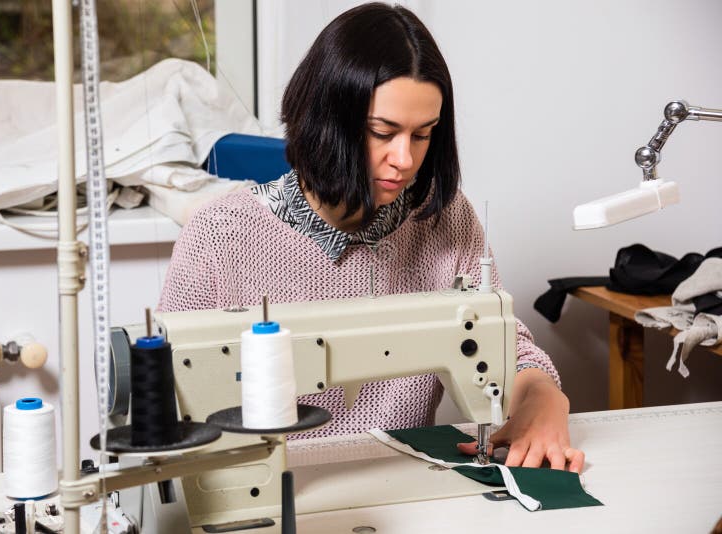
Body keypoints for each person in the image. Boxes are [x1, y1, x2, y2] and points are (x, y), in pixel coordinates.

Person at [159, 2, 584, 473]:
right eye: (383, 132)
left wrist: (542, 398)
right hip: (272, 485)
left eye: (423, 135)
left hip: (403, 478)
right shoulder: (219, 236)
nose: (404, 158)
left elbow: (504, 349)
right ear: (327, 121)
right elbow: (170, 391)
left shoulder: (445, 218)